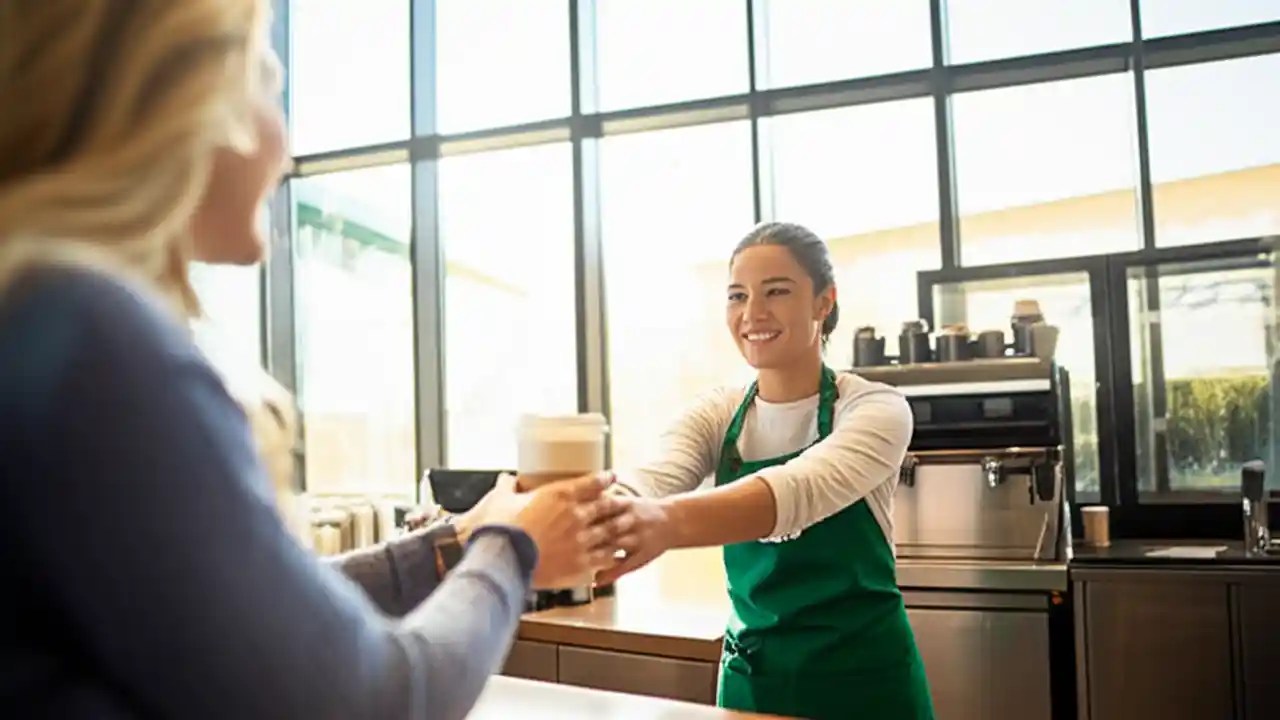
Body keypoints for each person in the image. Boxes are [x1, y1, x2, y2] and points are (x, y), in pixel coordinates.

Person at [0, 2, 622, 718]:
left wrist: (452, 546)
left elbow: (249, 614)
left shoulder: (33, 318)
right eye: (267, 87)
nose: (287, 151)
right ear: (182, 100)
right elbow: (372, 700)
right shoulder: (90, 340)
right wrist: (513, 549)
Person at [600, 222, 936, 719]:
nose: (752, 313)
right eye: (737, 296)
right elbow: (653, 477)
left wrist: (662, 523)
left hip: (865, 681)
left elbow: (797, 489)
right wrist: (609, 508)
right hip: (754, 682)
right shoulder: (717, 413)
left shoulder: (874, 409)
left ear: (824, 302)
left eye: (776, 291)